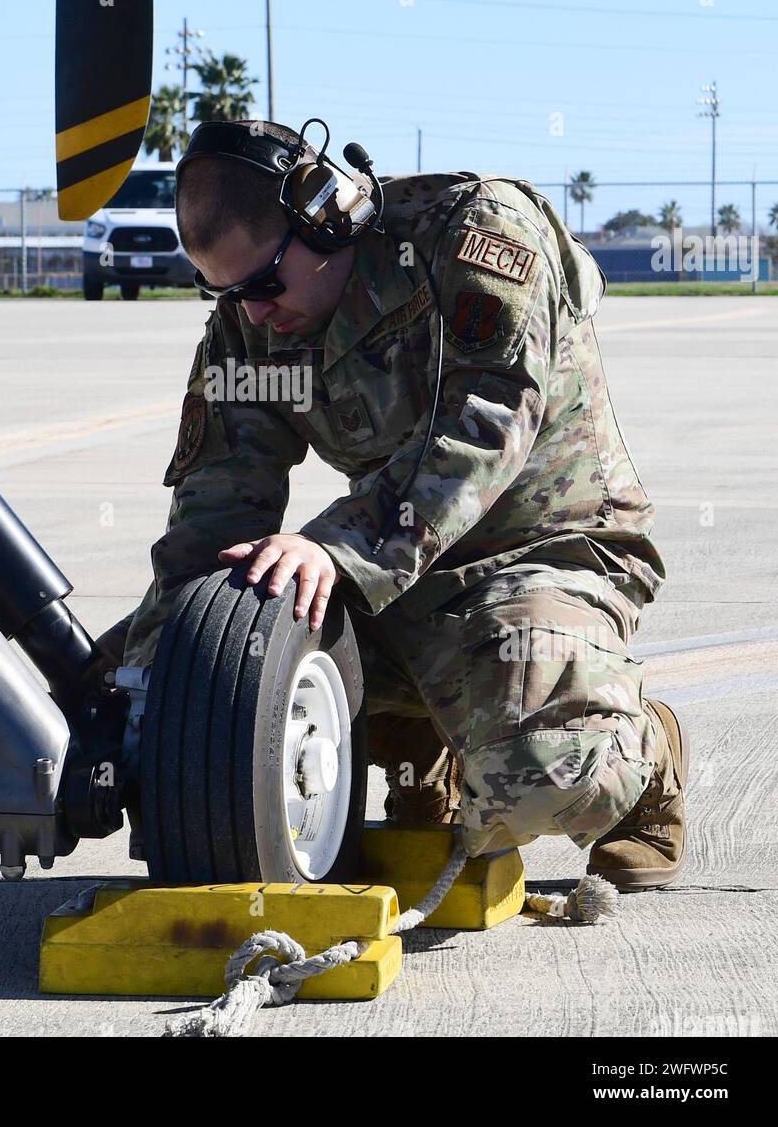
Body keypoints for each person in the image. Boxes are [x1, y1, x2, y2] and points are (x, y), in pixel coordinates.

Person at [96, 118, 685, 890]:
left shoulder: (470, 239)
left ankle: (645, 756)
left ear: (324, 215)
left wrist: (334, 546)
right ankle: (421, 734)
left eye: (265, 283)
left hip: (545, 552)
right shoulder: (248, 329)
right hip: (397, 576)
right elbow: (214, 513)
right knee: (176, 681)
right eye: (226, 292)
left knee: (540, 771)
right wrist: (148, 682)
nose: (252, 314)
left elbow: (485, 424)